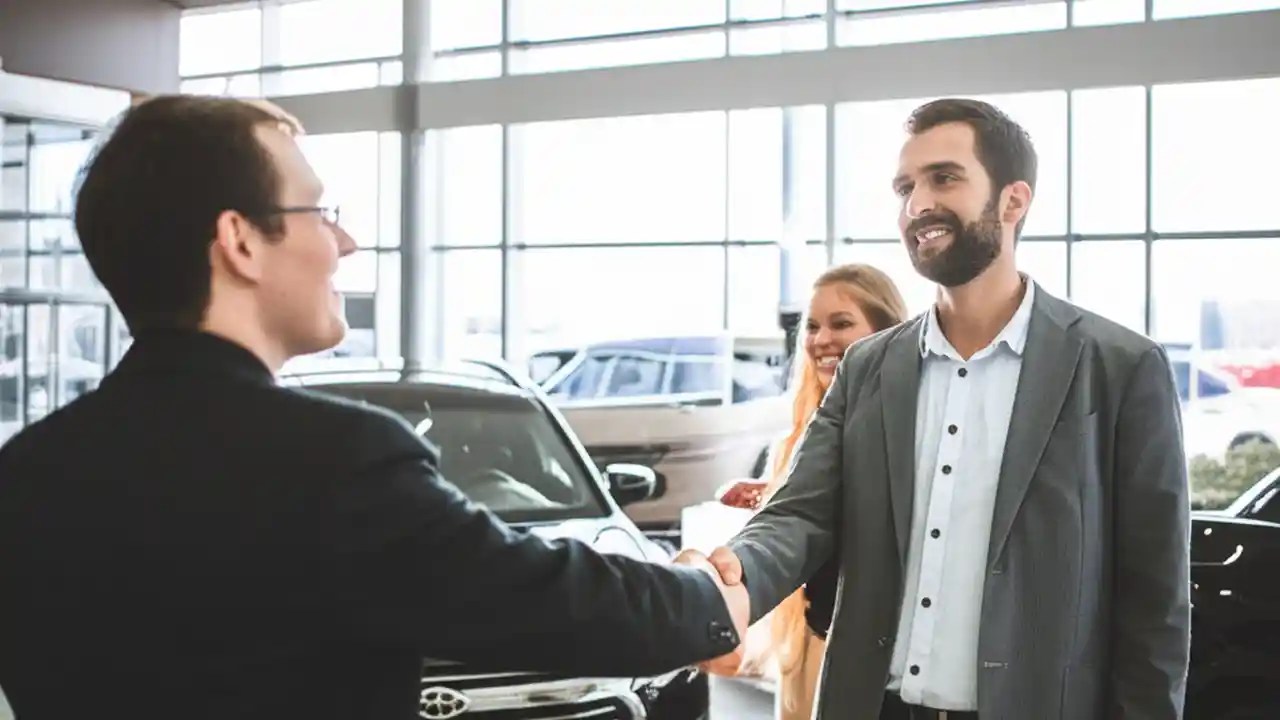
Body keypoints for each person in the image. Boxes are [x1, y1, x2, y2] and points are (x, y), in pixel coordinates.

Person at [0, 95, 748, 720]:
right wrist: (702, 598)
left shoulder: (29, 471)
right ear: (240, 242)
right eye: (321, 212)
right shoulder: (333, 459)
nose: (347, 243)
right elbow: (540, 598)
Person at [678, 97, 1192, 719]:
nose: (917, 204)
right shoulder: (869, 367)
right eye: (905, 187)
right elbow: (798, 516)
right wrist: (732, 572)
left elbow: (1155, 602)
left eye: (943, 178)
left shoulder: (1120, 367)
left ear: (1013, 200)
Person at [716, 263, 908, 720]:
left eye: (841, 324)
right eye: (813, 326)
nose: (821, 340)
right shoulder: (808, 419)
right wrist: (775, 492)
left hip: (864, 654)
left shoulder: (903, 425)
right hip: (809, 636)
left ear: (885, 332)